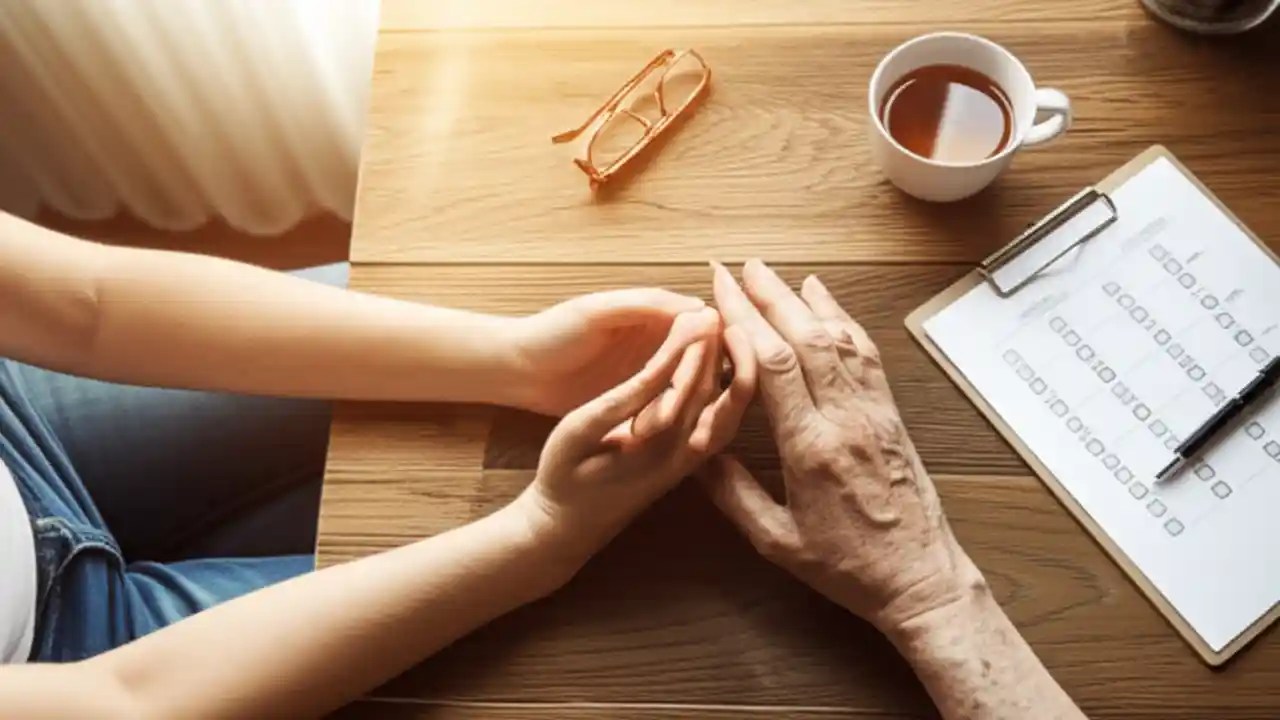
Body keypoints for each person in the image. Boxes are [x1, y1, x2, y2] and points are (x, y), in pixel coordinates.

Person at [0, 206, 1083, 718]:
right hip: (80, 669)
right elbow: (122, 702)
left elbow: (84, 305)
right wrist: (540, 537)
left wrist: (509, 358)